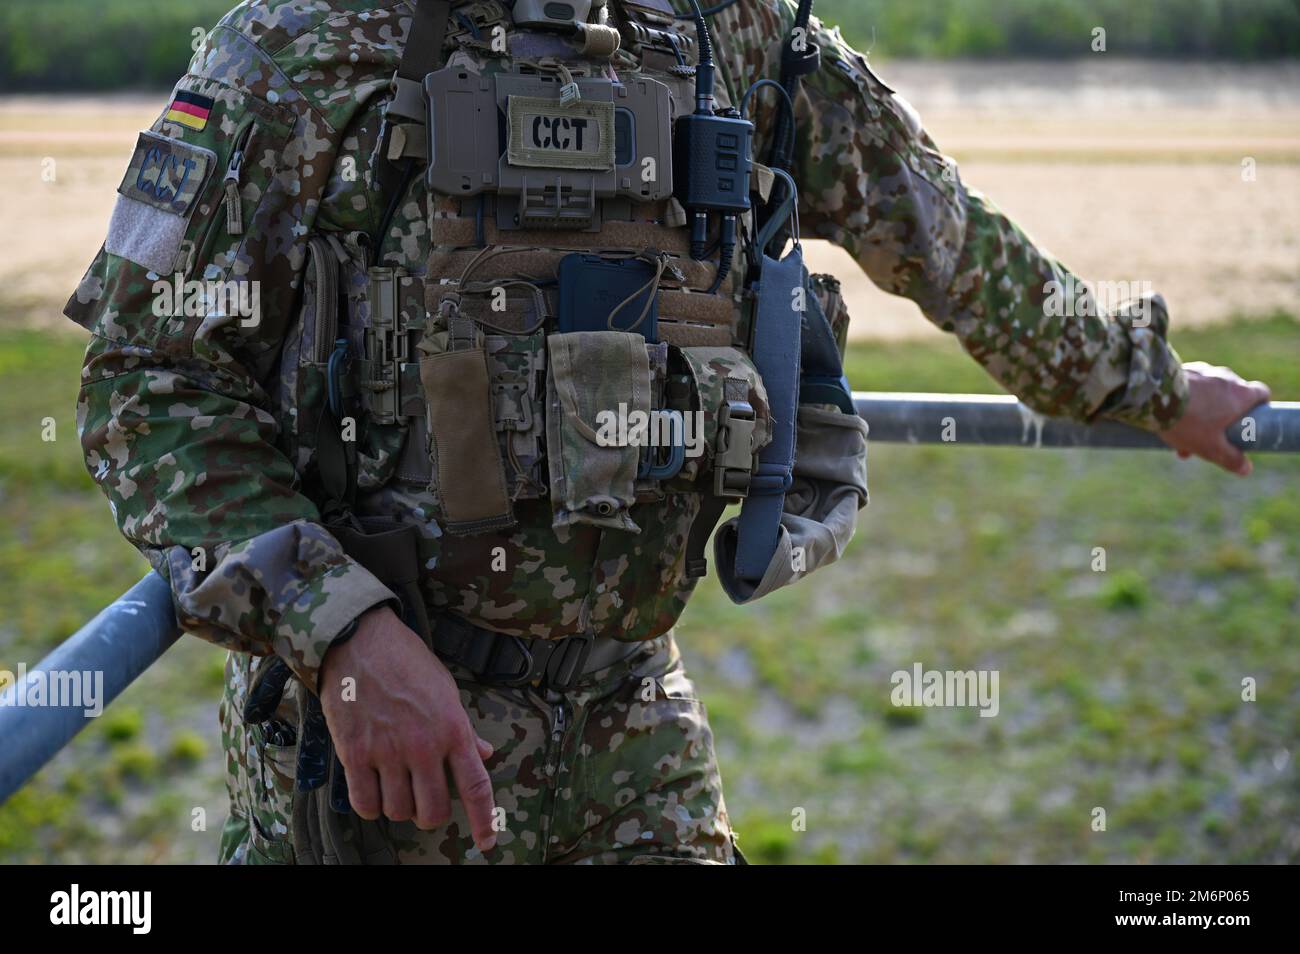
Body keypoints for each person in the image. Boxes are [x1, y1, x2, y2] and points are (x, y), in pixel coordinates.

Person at [64, 0, 1269, 865]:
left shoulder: (725, 33)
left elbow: (948, 239)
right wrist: (336, 633)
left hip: (630, 722)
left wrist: (1152, 386)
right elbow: (145, 380)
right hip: (386, 756)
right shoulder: (303, 43)